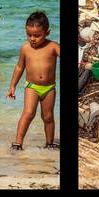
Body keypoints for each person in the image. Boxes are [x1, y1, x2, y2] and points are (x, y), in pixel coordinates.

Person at [7, 11, 59, 150]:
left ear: (47, 32)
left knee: (48, 117)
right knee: (28, 113)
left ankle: (49, 143)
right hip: (32, 87)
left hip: (49, 88)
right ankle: (18, 142)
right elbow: (19, 67)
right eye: (29, 35)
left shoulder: (53, 46)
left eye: (37, 35)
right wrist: (12, 85)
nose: (32, 39)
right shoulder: (25, 48)